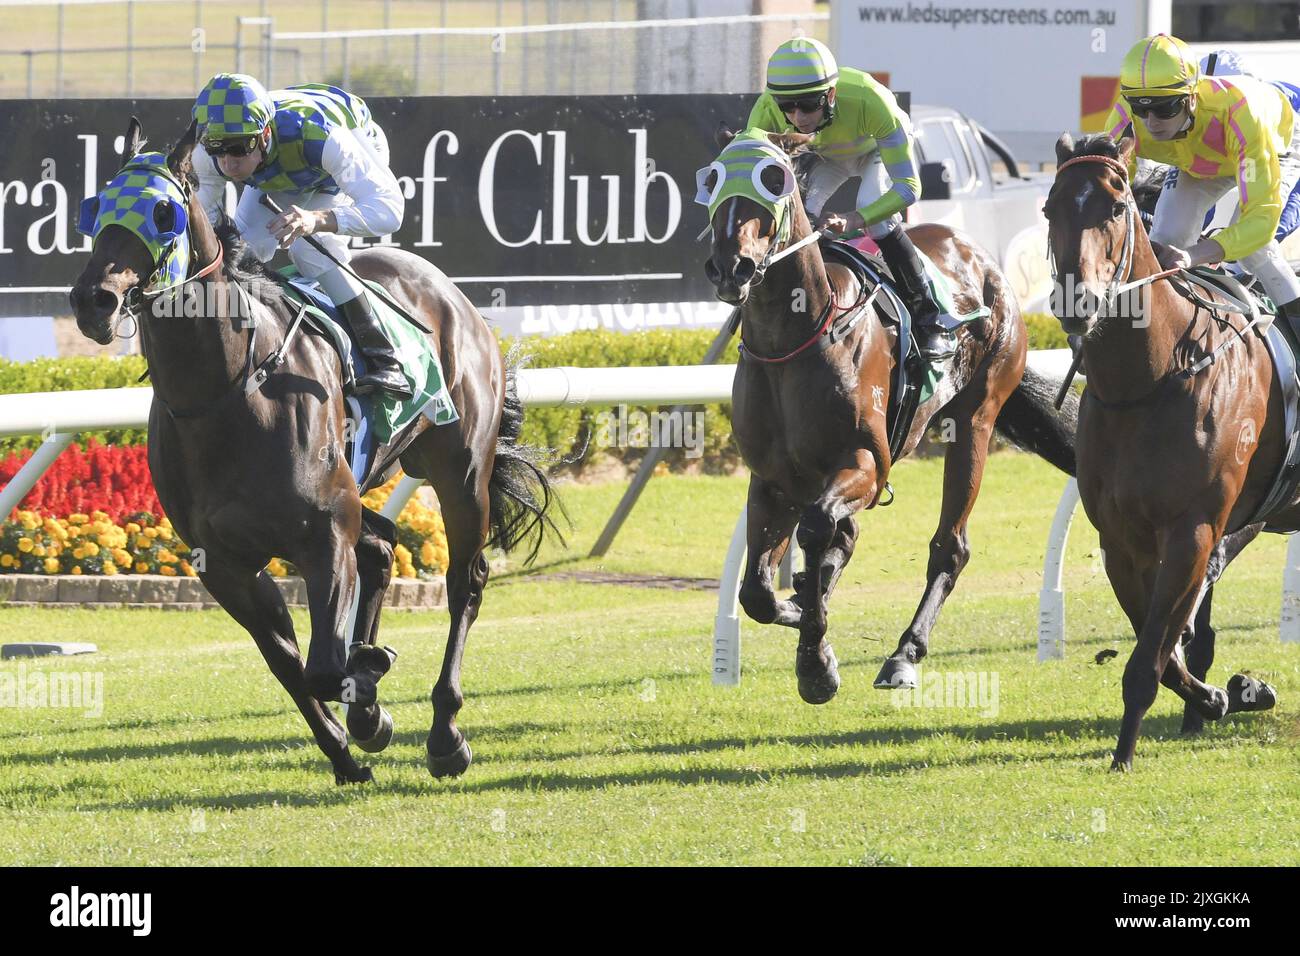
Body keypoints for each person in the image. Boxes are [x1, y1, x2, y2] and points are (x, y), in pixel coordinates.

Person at [191, 73, 411, 398]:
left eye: (238, 147)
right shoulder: (211, 154)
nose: (227, 162)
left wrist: (316, 219)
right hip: (279, 170)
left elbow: (389, 210)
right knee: (244, 250)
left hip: (349, 145)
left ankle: (385, 359)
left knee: (311, 249)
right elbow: (203, 225)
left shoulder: (320, 136)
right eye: (216, 148)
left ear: (264, 134)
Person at [747, 37, 955, 361]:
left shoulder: (870, 99)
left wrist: (857, 220)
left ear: (830, 94)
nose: (798, 117)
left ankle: (930, 321)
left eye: (808, 104)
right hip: (828, 158)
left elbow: (909, 188)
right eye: (788, 106)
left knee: (877, 217)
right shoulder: (766, 111)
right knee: (802, 219)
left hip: (875, 150)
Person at [1104, 35, 1300, 335]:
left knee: (1256, 250)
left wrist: (1195, 256)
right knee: (1166, 238)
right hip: (1199, 157)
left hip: (1276, 147)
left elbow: (1260, 220)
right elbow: (1106, 191)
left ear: (1192, 97)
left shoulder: (1243, 112)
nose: (1152, 121)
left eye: (1165, 108)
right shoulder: (1125, 117)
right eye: (1142, 109)